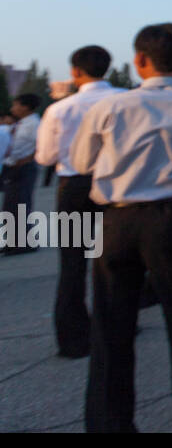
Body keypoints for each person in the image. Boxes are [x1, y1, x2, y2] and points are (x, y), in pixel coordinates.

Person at [70, 23, 172, 432]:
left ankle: (109, 425)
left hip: (117, 221)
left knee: (111, 326)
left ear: (139, 60)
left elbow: (83, 162)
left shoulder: (109, 107)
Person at [34, 46, 122, 354]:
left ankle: (73, 338)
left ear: (75, 71)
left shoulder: (59, 109)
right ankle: (114, 329)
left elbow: (45, 156)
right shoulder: (127, 101)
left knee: (73, 264)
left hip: (73, 187)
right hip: (115, 188)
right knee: (114, 262)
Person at [1, 94, 43, 256]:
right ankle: (11, 242)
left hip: (24, 167)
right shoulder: (21, 123)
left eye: (16, 105)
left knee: (20, 205)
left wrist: (29, 158)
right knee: (9, 206)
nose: (12, 109)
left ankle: (26, 243)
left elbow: (41, 144)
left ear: (25, 107)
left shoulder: (34, 124)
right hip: (11, 167)